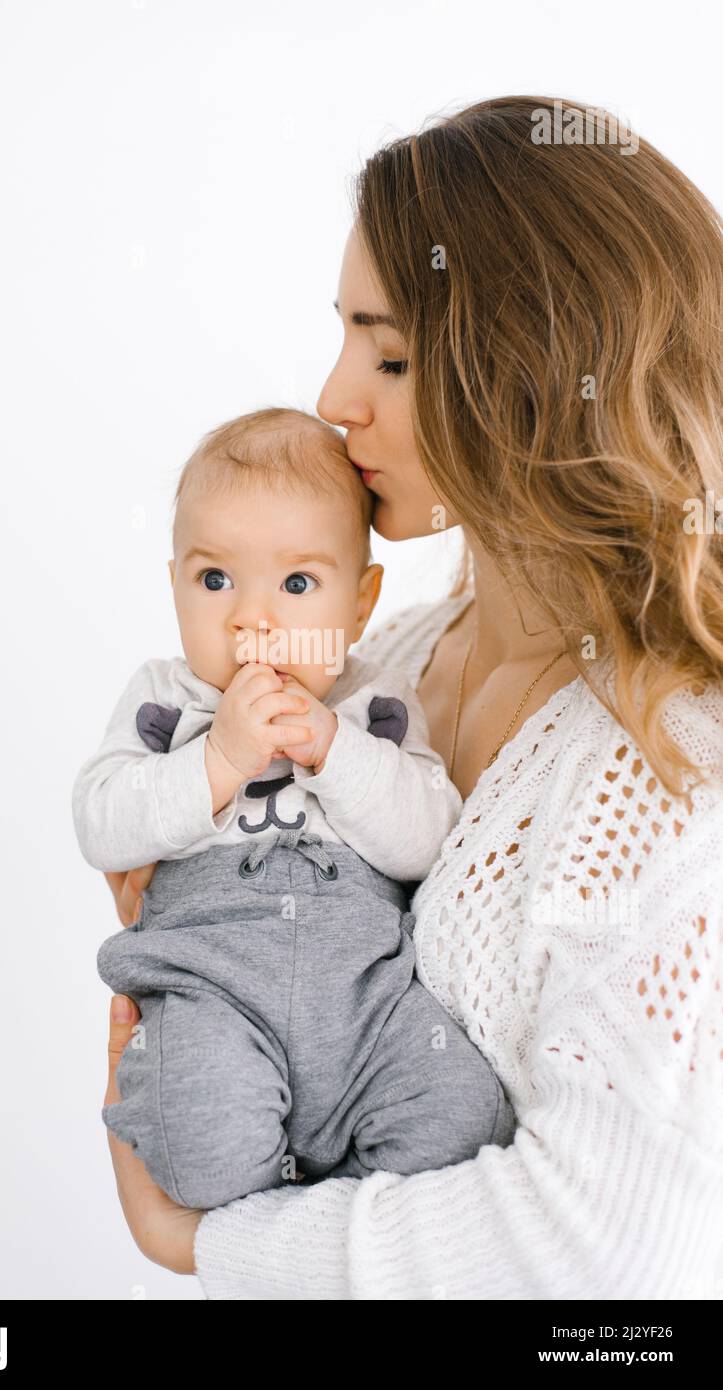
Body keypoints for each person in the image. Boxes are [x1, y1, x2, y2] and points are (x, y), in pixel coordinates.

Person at [100, 94, 723, 1298]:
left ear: (535, 370)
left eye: (389, 353)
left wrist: (208, 1243)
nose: (337, 395)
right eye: (342, 335)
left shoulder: (671, 768)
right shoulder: (395, 655)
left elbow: (613, 1250)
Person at [74, 406, 515, 1209]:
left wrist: (332, 752)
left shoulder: (376, 707)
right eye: (215, 580)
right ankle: (260, 1186)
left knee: (462, 1117)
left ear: (360, 601)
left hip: (368, 1003)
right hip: (213, 994)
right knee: (197, 1149)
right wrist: (218, 760)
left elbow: (428, 841)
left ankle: (328, 1218)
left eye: (298, 583)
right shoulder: (166, 705)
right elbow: (100, 822)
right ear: (174, 581)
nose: (252, 618)